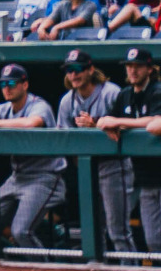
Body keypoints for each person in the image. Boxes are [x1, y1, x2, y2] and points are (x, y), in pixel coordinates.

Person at [0, 64, 65, 252]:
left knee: (21, 232)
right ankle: (10, 263)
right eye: (3, 84)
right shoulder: (4, 109)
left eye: (11, 83)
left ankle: (44, 267)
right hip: (17, 177)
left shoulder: (39, 105)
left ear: (25, 85)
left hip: (45, 177)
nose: (7, 88)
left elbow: (31, 123)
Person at [55, 50, 135, 259]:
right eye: (69, 70)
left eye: (78, 69)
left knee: (118, 231)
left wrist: (95, 125)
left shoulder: (111, 92)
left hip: (114, 165)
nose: (73, 74)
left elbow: (128, 129)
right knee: (92, 229)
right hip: (85, 168)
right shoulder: (67, 101)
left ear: (90, 70)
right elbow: (64, 141)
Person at [97, 46, 161, 253]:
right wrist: (109, 124)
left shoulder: (157, 91)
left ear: (149, 69)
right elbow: (106, 120)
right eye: (129, 66)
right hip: (145, 178)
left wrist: (120, 122)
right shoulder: (125, 95)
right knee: (154, 241)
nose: (133, 70)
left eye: (138, 66)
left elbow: (155, 123)